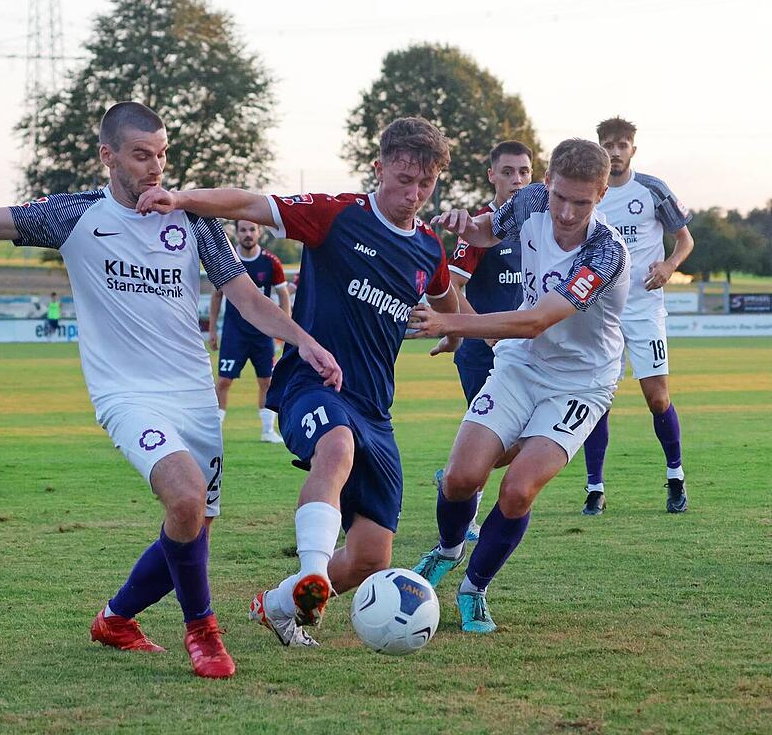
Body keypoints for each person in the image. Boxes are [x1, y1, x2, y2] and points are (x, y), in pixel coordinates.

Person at [0, 101, 342, 679]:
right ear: (108, 156)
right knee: (185, 499)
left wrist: (304, 341)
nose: (156, 167)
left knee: (193, 523)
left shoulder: (193, 221)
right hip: (126, 395)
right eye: (142, 155)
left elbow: (248, 299)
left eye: (162, 154)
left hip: (194, 396)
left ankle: (116, 619)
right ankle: (204, 633)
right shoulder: (72, 216)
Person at [136, 116, 460, 648]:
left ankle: (279, 604)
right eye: (404, 179)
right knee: (336, 445)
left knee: (371, 557)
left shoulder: (428, 248)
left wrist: (454, 332)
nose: (414, 193)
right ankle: (311, 570)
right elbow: (249, 204)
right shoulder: (337, 215)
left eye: (426, 183)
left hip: (376, 410)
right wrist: (182, 198)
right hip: (312, 385)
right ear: (378, 169)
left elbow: (449, 304)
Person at [408, 138, 629, 633]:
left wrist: (451, 323)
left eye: (582, 202)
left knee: (518, 488)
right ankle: (448, 549)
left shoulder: (606, 253)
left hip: (580, 383)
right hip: (520, 366)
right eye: (560, 197)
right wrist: (468, 225)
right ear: (546, 183)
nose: (567, 213)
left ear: (601, 195)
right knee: (460, 478)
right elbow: (488, 232)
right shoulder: (528, 200)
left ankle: (474, 589)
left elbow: (535, 321)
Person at [580, 117, 694, 515]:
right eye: (608, 145)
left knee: (657, 397)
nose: (614, 152)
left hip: (645, 310)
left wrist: (670, 266)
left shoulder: (652, 189)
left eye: (621, 145)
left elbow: (684, 239)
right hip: (601, 313)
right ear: (599, 148)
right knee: (599, 398)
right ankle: (595, 488)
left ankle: (676, 477)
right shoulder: (589, 193)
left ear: (632, 149)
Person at [444, 141, 532, 542]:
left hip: (524, 352)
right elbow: (452, 287)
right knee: (492, 435)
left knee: (526, 439)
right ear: (492, 175)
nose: (517, 180)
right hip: (482, 353)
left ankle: (457, 476)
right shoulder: (481, 228)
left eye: (524, 172)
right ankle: (468, 517)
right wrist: (487, 332)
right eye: (508, 171)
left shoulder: (538, 227)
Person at [207, 220, 291, 443]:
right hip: (234, 333)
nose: (248, 234)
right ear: (236, 232)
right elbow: (217, 295)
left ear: (259, 232)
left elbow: (283, 296)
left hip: (263, 334)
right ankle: (214, 431)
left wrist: (285, 330)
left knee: (267, 381)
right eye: (243, 230)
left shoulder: (270, 262)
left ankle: (267, 431)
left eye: (252, 229)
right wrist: (213, 329)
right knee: (224, 381)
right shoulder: (227, 259)